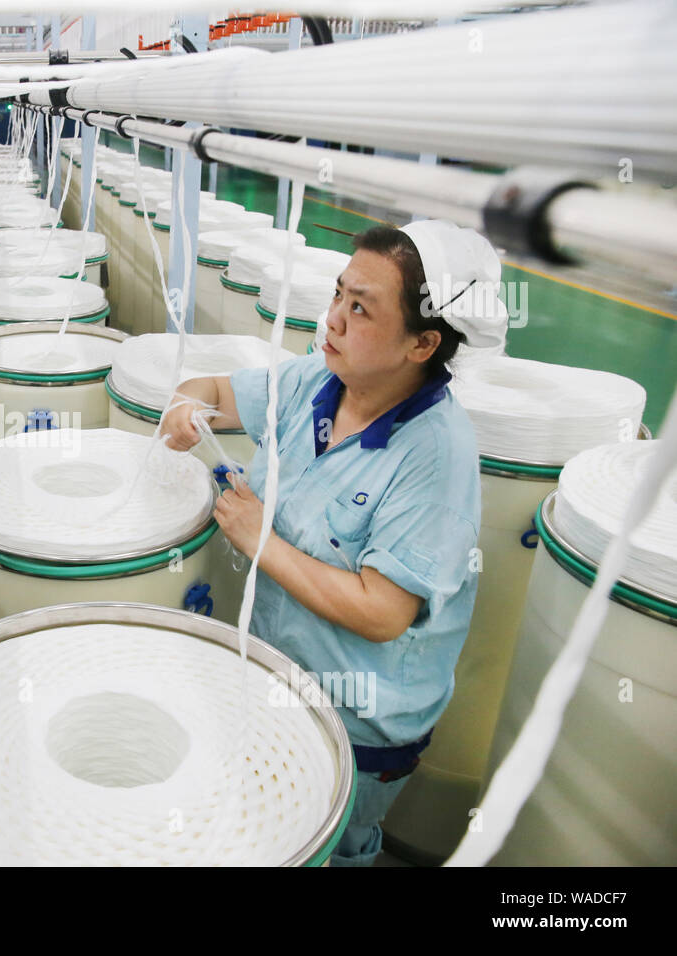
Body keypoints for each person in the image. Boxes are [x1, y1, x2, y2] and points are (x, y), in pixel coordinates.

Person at [161, 220, 508, 866]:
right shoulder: (311, 384)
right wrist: (186, 407)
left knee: (329, 846)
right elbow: (209, 391)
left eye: (360, 308)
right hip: (278, 676)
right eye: (338, 295)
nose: (334, 320)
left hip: (359, 721)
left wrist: (261, 537)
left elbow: (382, 611)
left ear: (422, 343)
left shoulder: (436, 455)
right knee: (265, 828)